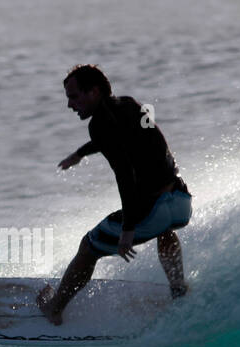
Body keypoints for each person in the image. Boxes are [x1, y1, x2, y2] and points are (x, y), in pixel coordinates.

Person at [37, 65, 192, 325]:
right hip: (179, 201)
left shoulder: (99, 125)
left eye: (74, 96)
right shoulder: (129, 105)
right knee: (164, 230)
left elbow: (125, 176)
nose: (69, 105)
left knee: (88, 248)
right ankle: (178, 289)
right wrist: (80, 154)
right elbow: (127, 139)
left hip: (149, 210)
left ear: (94, 91)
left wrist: (128, 229)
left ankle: (55, 308)